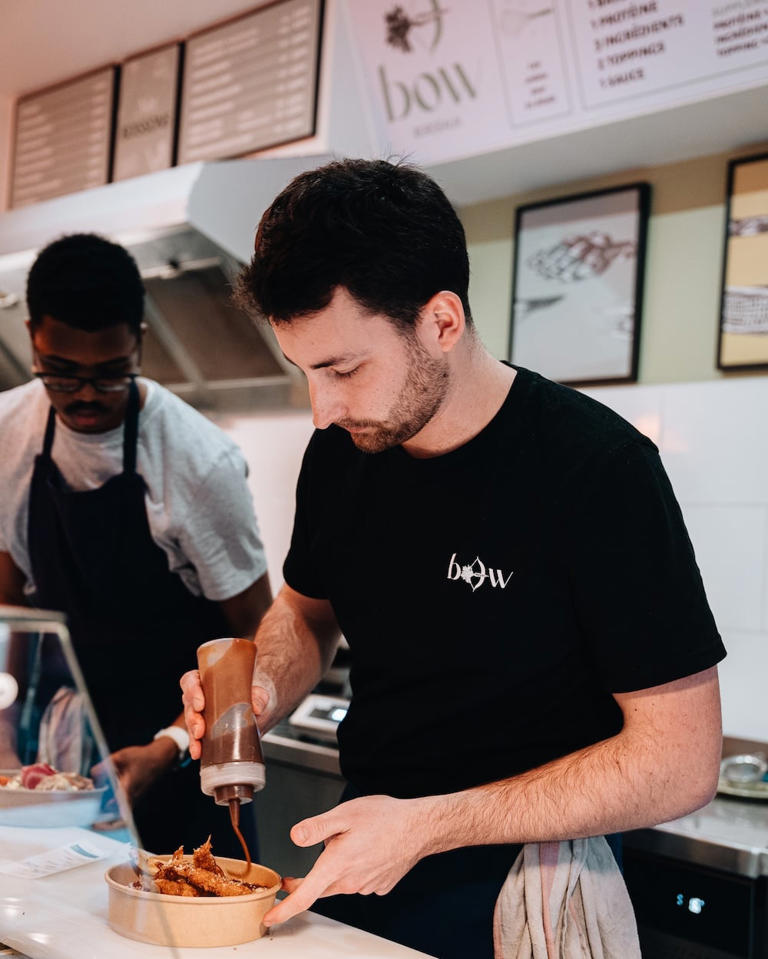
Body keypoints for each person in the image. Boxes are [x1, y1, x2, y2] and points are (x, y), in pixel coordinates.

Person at [181, 158, 726, 958]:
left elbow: (681, 761)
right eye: (304, 372)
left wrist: (431, 822)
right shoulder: (341, 453)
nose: (323, 409)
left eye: (343, 368)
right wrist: (263, 683)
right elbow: (305, 611)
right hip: (365, 862)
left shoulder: (597, 468)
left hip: (535, 891)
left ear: (442, 320)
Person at [0, 233, 272, 857]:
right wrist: (8, 740)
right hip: (70, 752)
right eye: (61, 374)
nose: (87, 396)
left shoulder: (199, 463)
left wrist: (172, 745)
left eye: (110, 375)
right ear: (31, 336)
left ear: (139, 342)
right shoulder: (9, 435)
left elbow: (255, 635)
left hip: (185, 750)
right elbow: (12, 609)